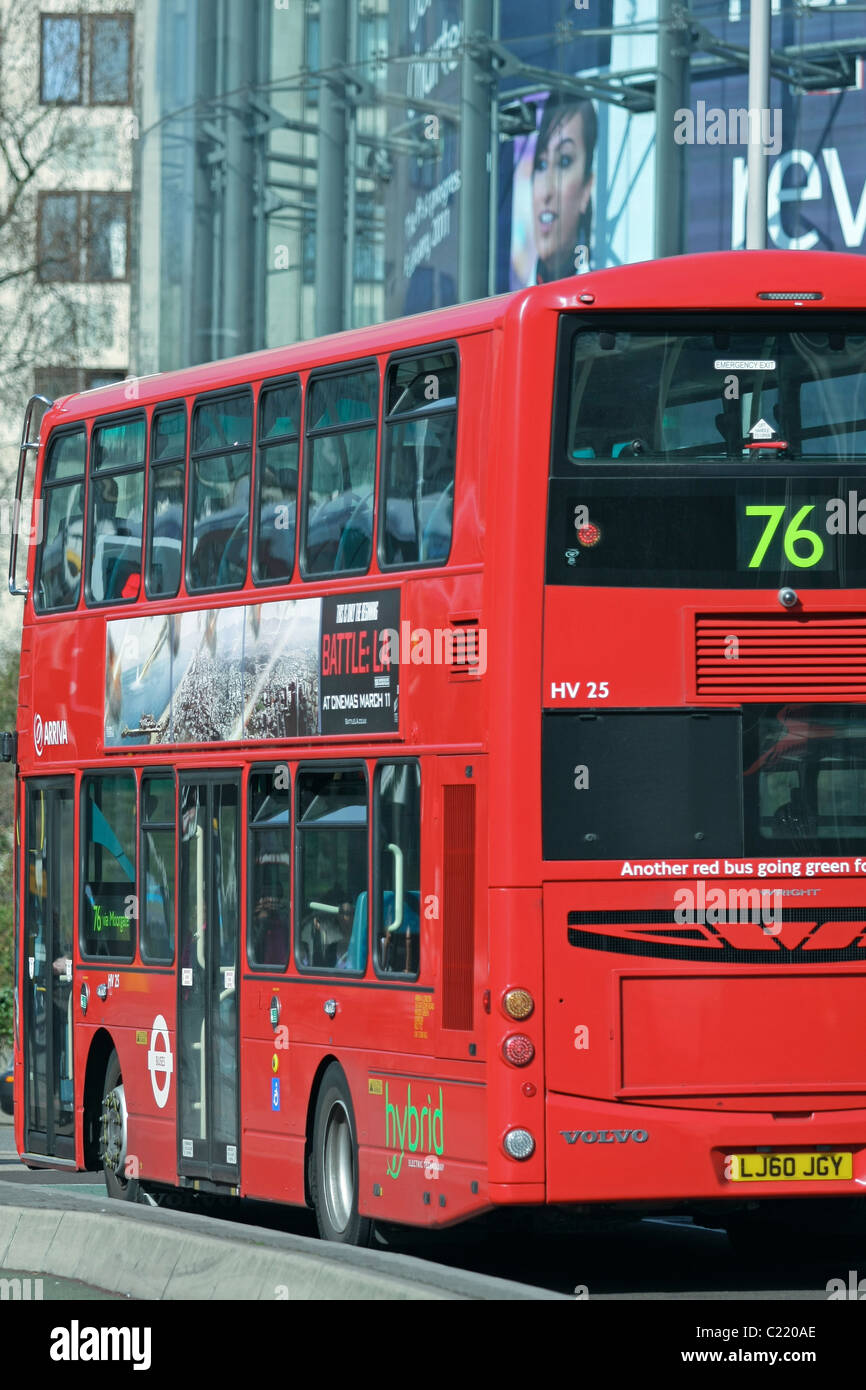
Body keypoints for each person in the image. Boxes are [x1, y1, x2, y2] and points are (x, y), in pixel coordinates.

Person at [531, 93, 597, 285]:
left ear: (587, 187)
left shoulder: (608, 298)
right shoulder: (505, 299)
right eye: (541, 164)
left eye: (564, 161)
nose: (546, 192)